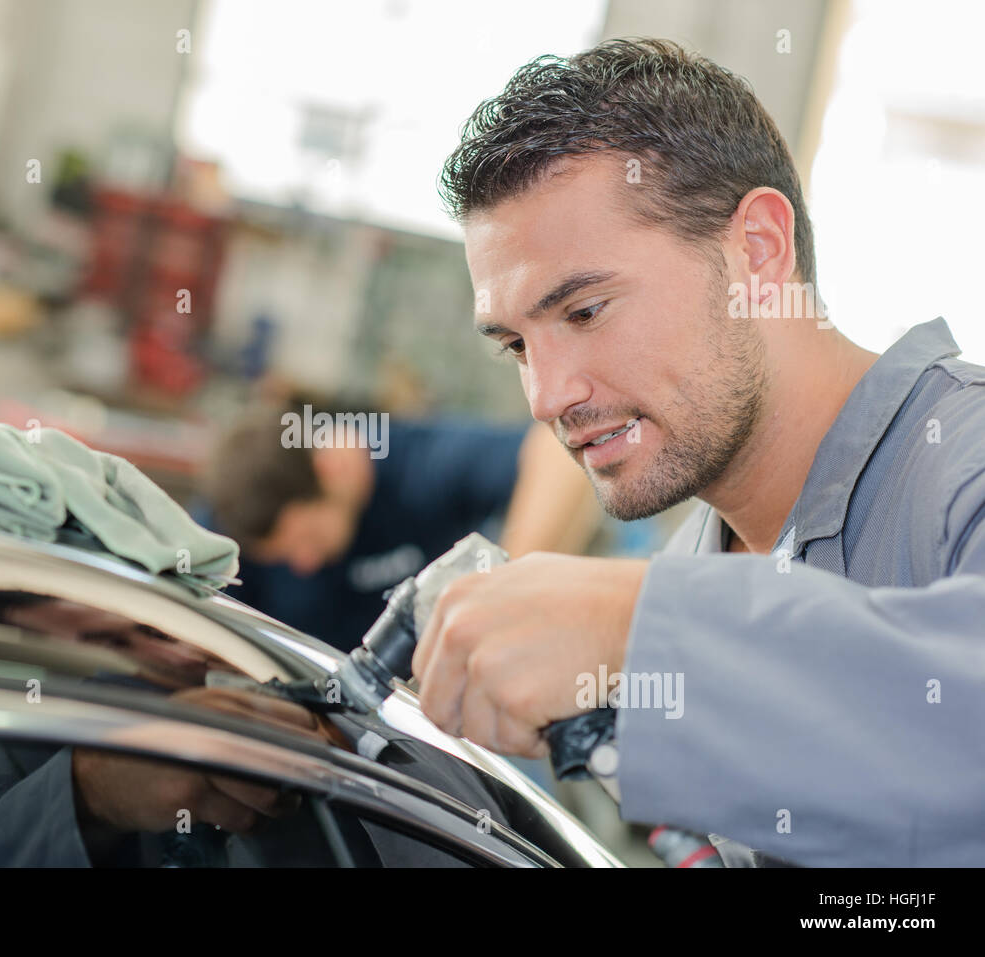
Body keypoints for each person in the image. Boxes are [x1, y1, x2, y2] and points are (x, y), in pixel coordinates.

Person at [409, 38, 985, 867]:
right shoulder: (697, 559)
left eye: (585, 311)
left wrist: (634, 621)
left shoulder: (961, 465)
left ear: (756, 250)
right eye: (515, 346)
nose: (546, 396)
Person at [199, 405, 600, 653]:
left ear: (330, 469)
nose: (302, 564)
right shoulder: (230, 524)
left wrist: (505, 601)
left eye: (307, 540)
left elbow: (553, 450)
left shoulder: (414, 465)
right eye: (285, 556)